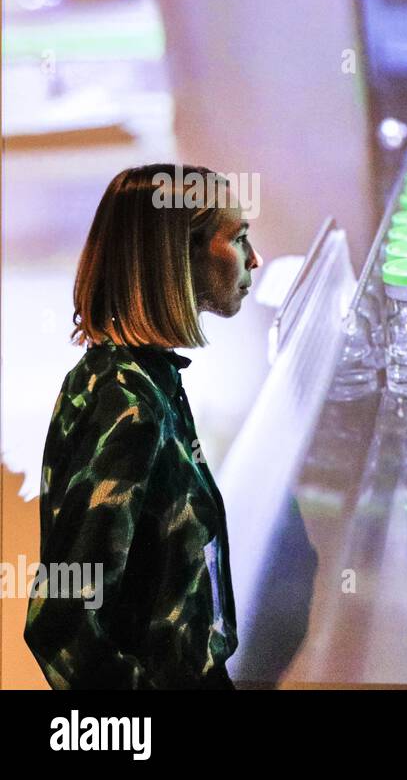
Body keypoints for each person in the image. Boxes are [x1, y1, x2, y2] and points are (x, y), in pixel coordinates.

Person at [25, 164, 263, 689]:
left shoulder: (144, 379)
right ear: (180, 255)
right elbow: (62, 625)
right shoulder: (125, 403)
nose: (254, 259)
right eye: (239, 238)